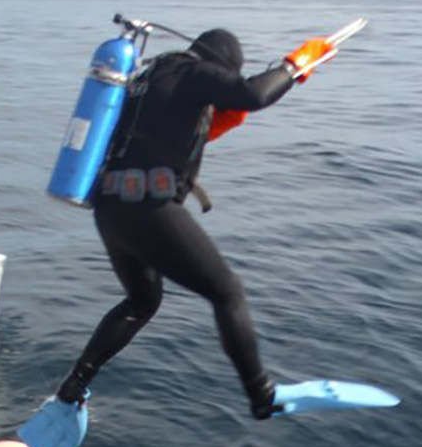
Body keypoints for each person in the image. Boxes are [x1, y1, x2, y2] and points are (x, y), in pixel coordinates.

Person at [56, 26, 331, 420]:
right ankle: (262, 395)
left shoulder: (149, 78)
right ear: (221, 65)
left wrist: (210, 124)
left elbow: (159, 137)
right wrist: (295, 65)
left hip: (110, 210)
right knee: (228, 292)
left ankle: (74, 385)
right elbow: (253, 95)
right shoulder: (193, 72)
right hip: (148, 209)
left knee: (142, 301)